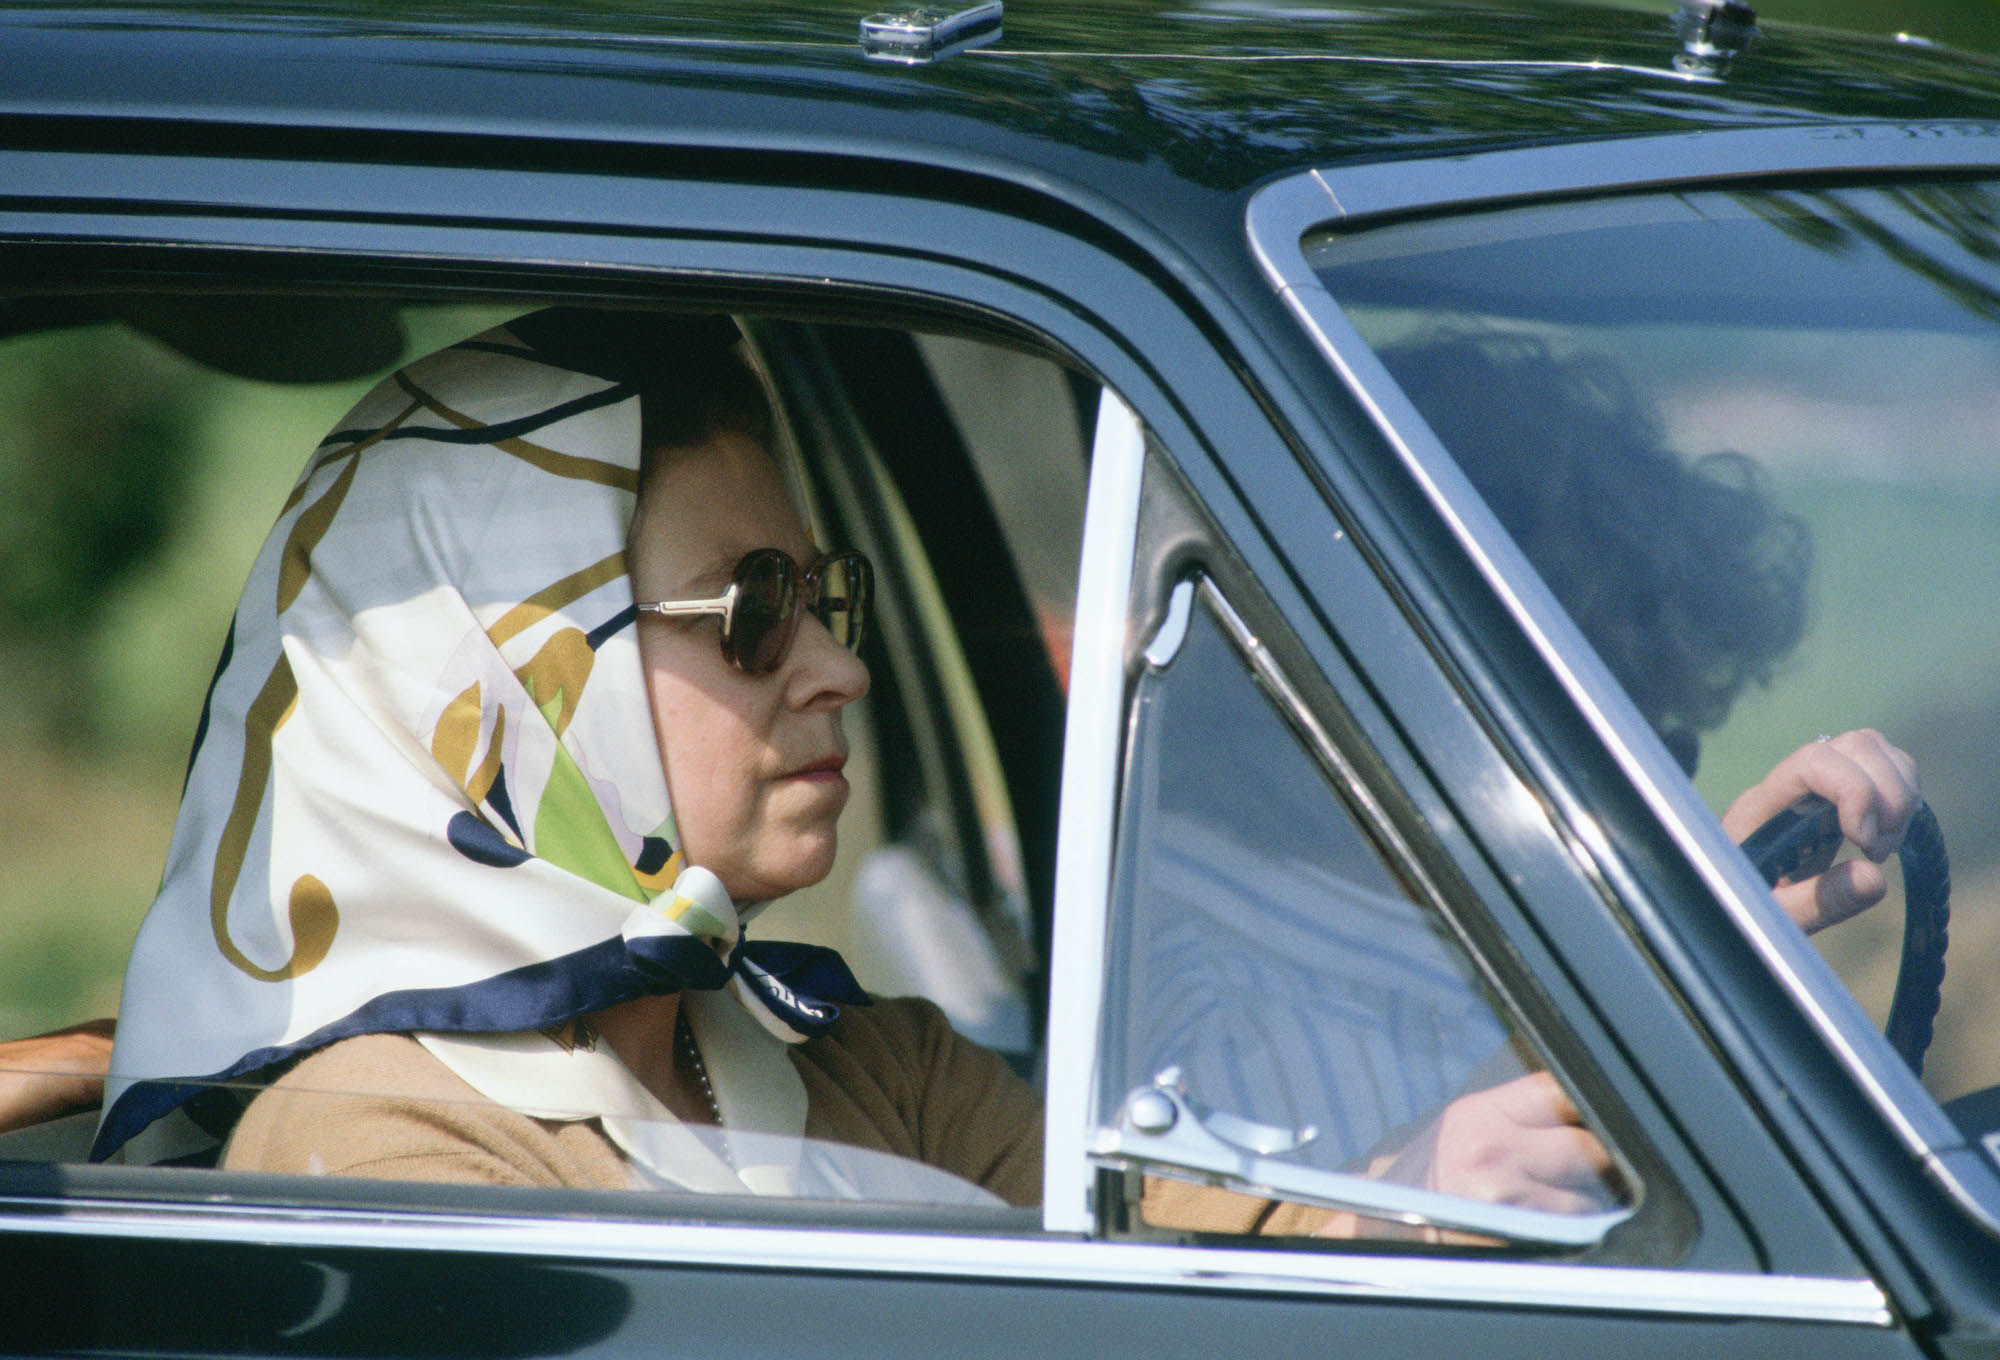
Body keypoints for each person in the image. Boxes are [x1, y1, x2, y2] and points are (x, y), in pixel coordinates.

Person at [0, 312, 1917, 1230]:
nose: (838, 663)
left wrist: (1682, 939)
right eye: (751, 611)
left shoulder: (855, 1057)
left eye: (823, 593)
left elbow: (1164, 1243)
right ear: (502, 696)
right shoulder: (369, 1160)